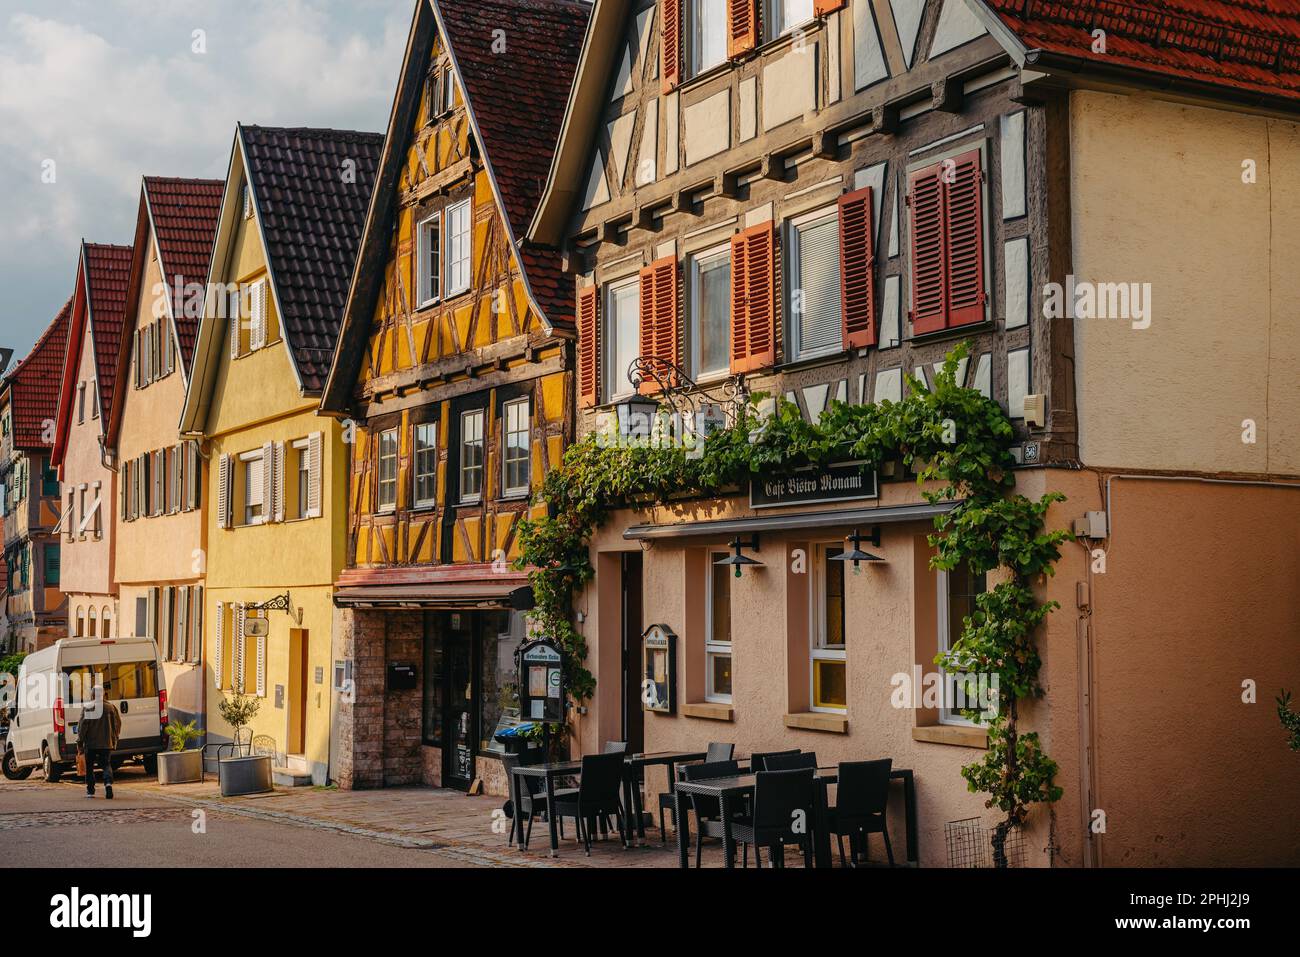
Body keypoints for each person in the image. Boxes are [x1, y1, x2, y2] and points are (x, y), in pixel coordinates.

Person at [77, 683, 121, 799]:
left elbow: (82, 727)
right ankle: (108, 784)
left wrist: (79, 742)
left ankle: (90, 791)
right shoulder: (111, 708)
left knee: (90, 766)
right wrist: (115, 738)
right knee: (106, 764)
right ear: (103, 695)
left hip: (90, 744)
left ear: (92, 695)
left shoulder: (88, 707)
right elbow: (117, 724)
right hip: (106, 743)